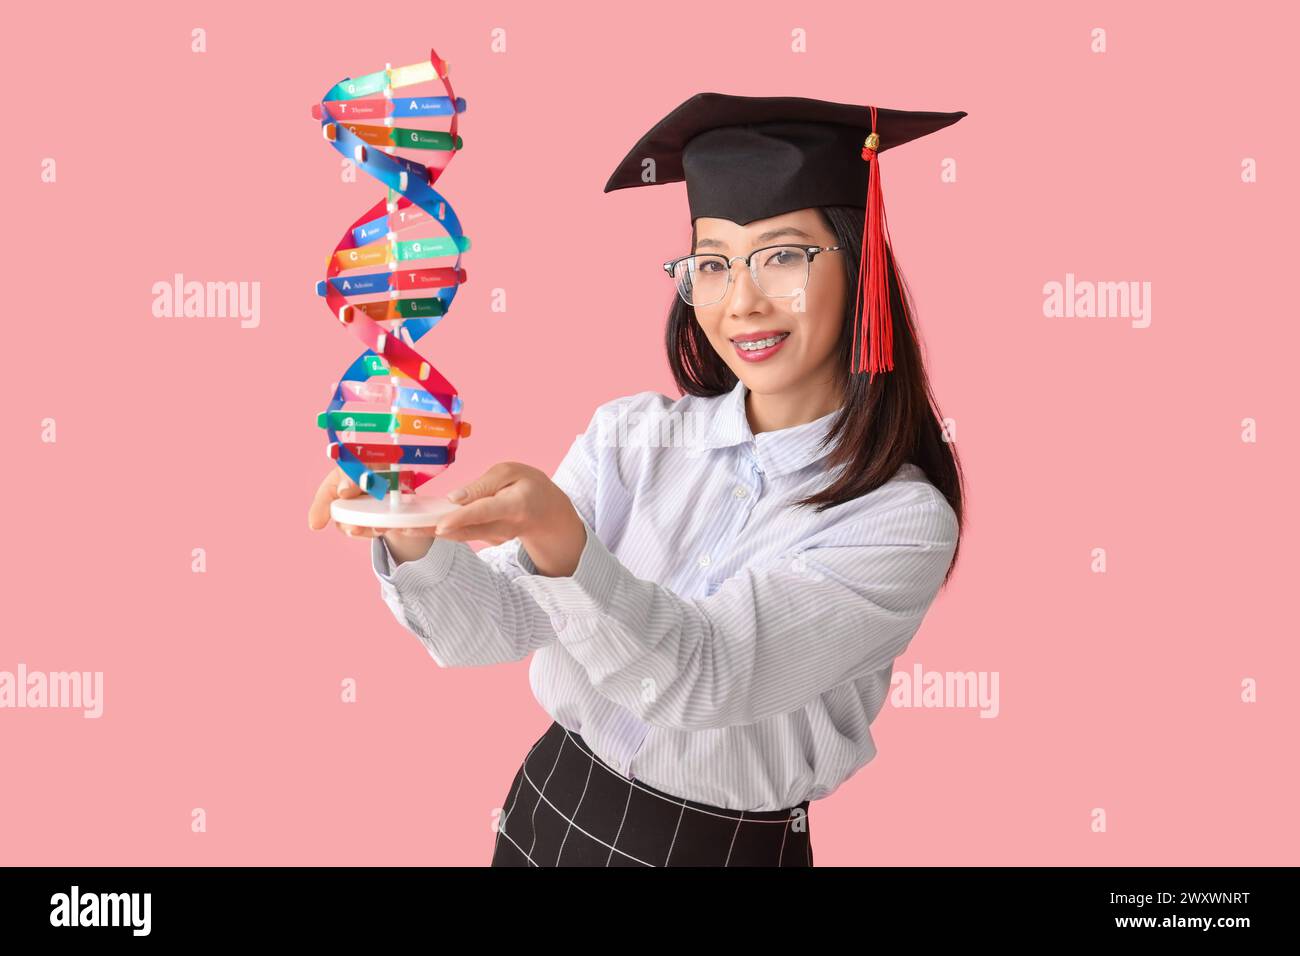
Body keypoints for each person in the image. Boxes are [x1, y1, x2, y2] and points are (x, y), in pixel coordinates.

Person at [307, 93, 968, 867]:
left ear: (858, 265)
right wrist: (415, 535)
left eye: (783, 256)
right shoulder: (634, 438)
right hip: (549, 805)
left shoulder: (897, 522)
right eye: (713, 263)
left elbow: (711, 674)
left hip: (718, 851)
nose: (743, 301)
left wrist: (565, 542)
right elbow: (494, 628)